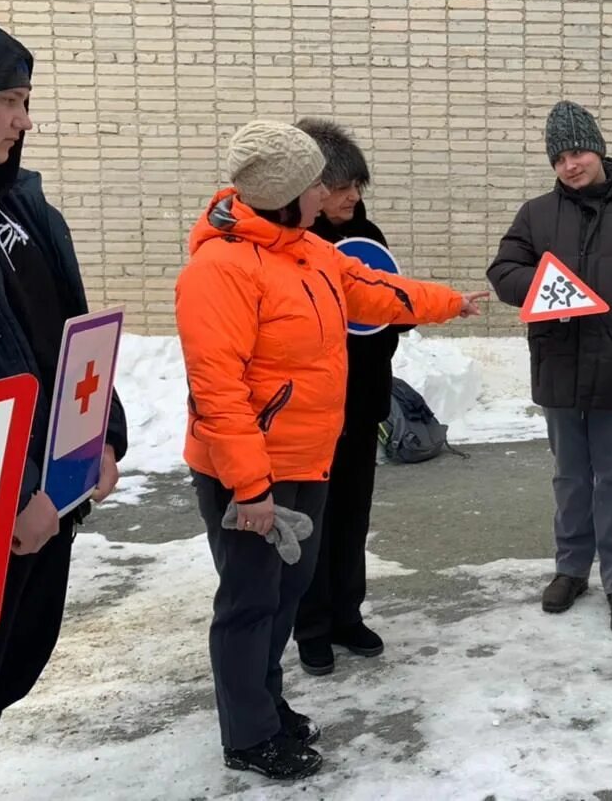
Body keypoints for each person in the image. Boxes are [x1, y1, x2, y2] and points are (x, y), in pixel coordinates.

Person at [175, 120, 486, 781]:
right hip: (249, 471)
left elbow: (374, 290)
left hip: (307, 459)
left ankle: (267, 704)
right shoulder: (219, 270)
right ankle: (247, 736)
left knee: (285, 593)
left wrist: (449, 302)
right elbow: (217, 389)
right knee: (250, 601)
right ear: (284, 193)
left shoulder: (307, 250)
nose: (328, 195)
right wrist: (250, 489)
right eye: (317, 185)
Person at [0, 6, 128, 801]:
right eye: (9, 100)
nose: (25, 120)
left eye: (25, 100)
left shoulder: (20, 204)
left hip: (46, 508)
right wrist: (11, 497)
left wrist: (102, 433)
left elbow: (67, 332)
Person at [487, 100, 612, 637]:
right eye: (558, 158)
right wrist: (546, 288)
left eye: (576, 152)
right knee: (570, 477)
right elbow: (503, 270)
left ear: (597, 149)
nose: (569, 165)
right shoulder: (536, 214)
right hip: (557, 364)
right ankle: (571, 570)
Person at [290, 118, 403, 675]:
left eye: (357, 185)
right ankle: (310, 626)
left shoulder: (369, 235)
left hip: (361, 404)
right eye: (340, 187)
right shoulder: (293, 244)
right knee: (311, 520)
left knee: (352, 517)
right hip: (309, 413)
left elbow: (389, 305)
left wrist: (394, 317)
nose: (352, 196)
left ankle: (346, 614)